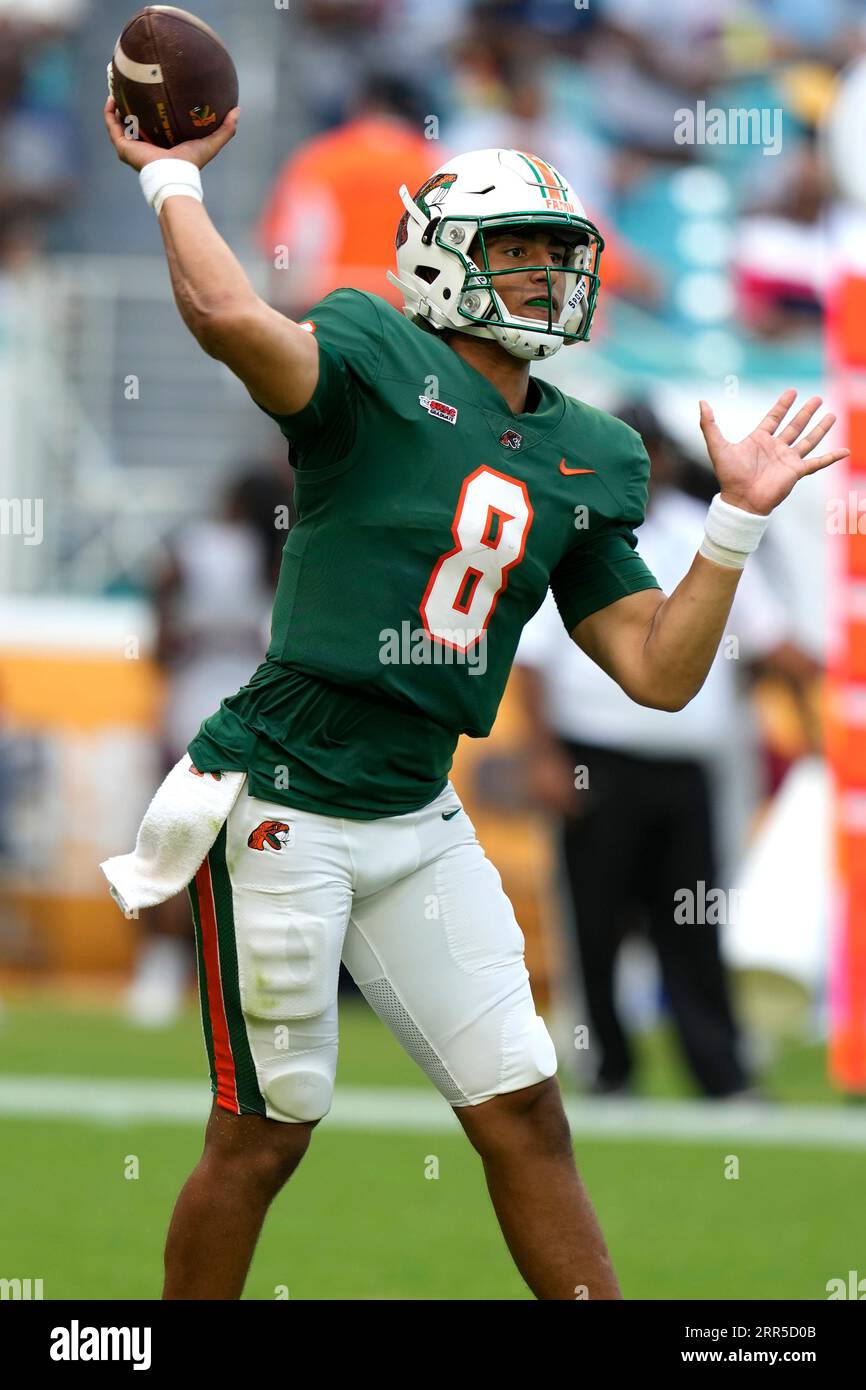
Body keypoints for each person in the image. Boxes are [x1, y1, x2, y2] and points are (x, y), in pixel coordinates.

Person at [102, 96, 848, 1301]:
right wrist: (170, 181)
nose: (547, 276)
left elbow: (657, 670)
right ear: (440, 257)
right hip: (285, 793)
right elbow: (226, 312)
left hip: (415, 812)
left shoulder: (589, 450)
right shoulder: (368, 354)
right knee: (264, 1136)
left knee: (524, 1112)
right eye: (517, 250)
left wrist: (732, 522)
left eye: (560, 254)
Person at [514, 402, 818, 1100]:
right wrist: (544, 755)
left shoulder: (697, 531)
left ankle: (719, 1072)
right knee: (593, 920)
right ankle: (607, 1068)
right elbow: (532, 659)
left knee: (695, 918)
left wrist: (826, 684)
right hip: (597, 757)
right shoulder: (574, 530)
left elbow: (769, 643)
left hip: (686, 765)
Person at [125, 468, 290, 1027]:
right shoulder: (287, 550)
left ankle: (161, 968)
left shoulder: (192, 545)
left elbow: (159, 643)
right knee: (250, 849)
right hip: (257, 714)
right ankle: (241, 978)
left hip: (194, 709)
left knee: (171, 840)